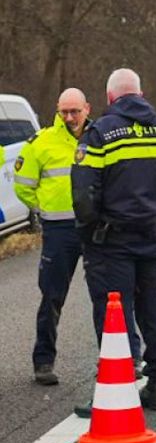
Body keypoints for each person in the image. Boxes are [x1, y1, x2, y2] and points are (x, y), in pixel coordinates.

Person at [71, 68, 156, 411]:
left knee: (113, 313)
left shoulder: (100, 133)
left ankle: (117, 390)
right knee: (153, 309)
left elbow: (83, 192)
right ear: (140, 93)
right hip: (153, 239)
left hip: (111, 242)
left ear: (110, 98)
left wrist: (90, 233)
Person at [13, 88, 91, 385]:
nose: (69, 117)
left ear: (87, 108)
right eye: (64, 111)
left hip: (95, 228)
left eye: (75, 111)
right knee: (52, 296)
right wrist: (43, 208)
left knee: (108, 296)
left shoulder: (99, 137)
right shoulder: (41, 142)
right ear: (57, 111)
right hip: (59, 231)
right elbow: (23, 184)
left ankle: (122, 360)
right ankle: (43, 361)